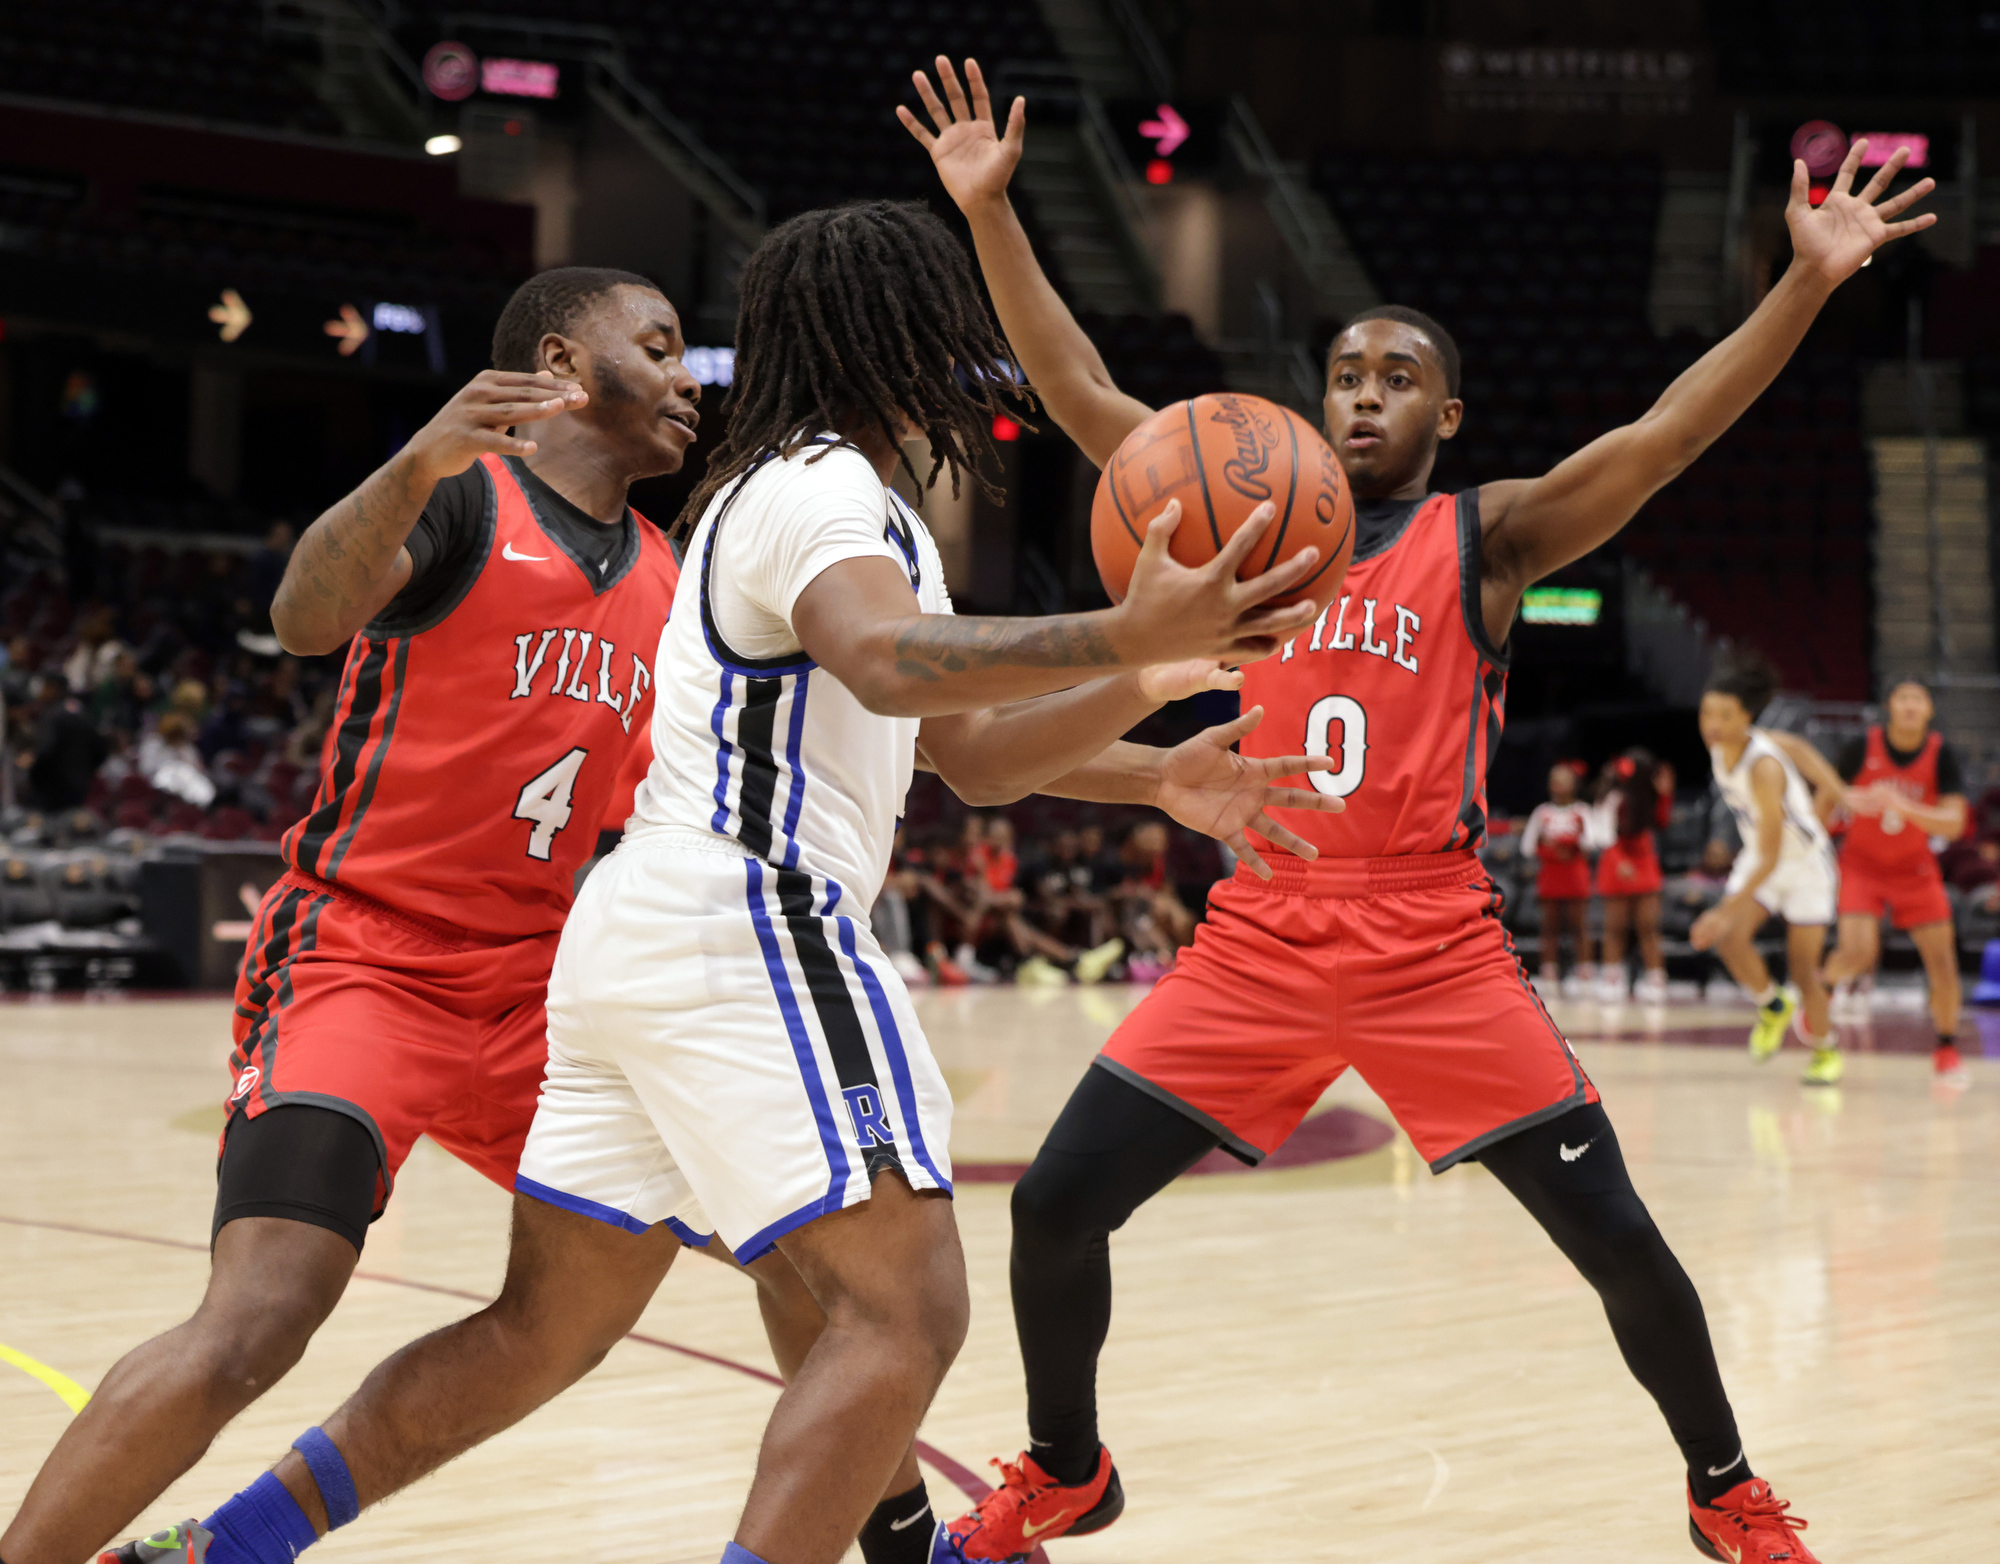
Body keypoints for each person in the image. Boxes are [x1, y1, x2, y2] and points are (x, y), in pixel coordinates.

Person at [71, 200, 1348, 1564]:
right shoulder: (818, 492)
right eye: (939, 322)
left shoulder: (789, 515)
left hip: (630, 943)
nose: (962, 354)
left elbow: (962, 752)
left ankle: (237, 1544)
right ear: (889, 337)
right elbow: (883, 657)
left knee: (551, 1327)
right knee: (904, 1310)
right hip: (747, 922)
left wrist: (1147, 712)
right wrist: (1121, 626)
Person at [900, 55, 1933, 1564]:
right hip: (1259, 932)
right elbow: (1076, 392)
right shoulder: (1239, 522)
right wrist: (994, 214)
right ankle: (1068, 1470)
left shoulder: (1487, 537)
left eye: (1395, 378)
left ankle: (1726, 1489)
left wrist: (1802, 285)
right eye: (1344, 374)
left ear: (1447, 411)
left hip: (1433, 941)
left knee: (1623, 1247)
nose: (1363, 394)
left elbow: (1667, 438)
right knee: (1054, 1207)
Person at [0, 266, 714, 1564]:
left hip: (544, 1002)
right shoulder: (459, 497)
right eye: (659, 348)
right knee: (262, 1316)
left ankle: (238, 1543)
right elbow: (303, 616)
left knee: (665, 1288)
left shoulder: (673, 578)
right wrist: (415, 459)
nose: (689, 381)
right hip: (366, 963)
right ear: (560, 361)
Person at [1689, 655, 1848, 1085]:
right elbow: (1798, 746)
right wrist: (1840, 789)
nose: (1713, 724)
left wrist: (1723, 909)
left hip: (1803, 867)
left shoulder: (1763, 767)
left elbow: (1774, 855)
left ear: (1746, 716)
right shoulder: (1730, 746)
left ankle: (1825, 1048)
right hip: (1762, 856)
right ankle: (1773, 1006)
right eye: (1707, 713)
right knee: (1729, 940)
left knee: (1802, 969)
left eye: (1724, 715)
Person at [1820, 679, 1970, 1080]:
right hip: (1861, 865)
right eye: (1902, 697)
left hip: (1915, 870)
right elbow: (1824, 802)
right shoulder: (1860, 748)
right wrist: (1837, 810)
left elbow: (1954, 823)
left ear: (1929, 711)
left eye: (1917, 699)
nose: (1909, 705)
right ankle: (1821, 993)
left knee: (1942, 963)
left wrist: (1905, 806)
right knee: (1857, 952)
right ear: (1889, 705)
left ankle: (1946, 1048)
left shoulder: (1942, 756)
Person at [1591, 749, 1671, 1004]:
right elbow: (1603, 834)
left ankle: (1656, 977)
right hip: (1618, 860)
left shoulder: (1651, 796)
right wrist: (1619, 862)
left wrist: (1666, 795)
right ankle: (1613, 977)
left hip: (1644, 858)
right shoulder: (1612, 797)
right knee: (1615, 927)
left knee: (1648, 925)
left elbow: (1661, 822)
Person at [1520, 760, 1594, 995]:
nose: (1558, 785)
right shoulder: (1542, 813)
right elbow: (1527, 847)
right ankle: (1549, 972)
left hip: (1574, 874)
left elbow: (1593, 841)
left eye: (1564, 780)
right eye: (1555, 780)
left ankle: (1584, 972)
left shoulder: (1582, 811)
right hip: (1551, 875)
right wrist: (1547, 847)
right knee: (1549, 927)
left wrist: (1565, 842)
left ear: (1574, 784)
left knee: (1579, 926)